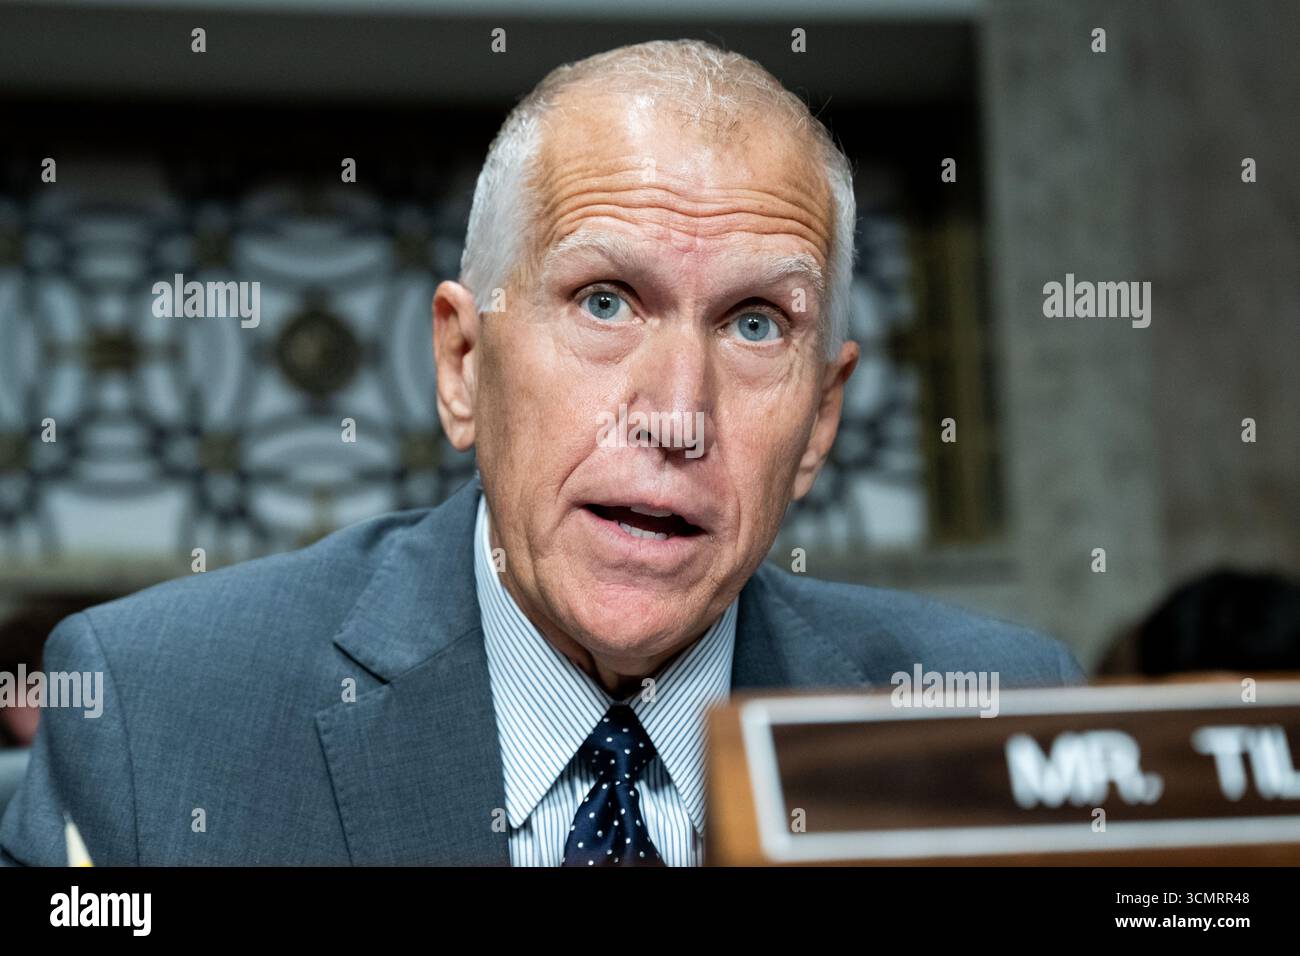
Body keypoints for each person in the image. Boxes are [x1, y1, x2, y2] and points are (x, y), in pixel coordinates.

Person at [0, 39, 1083, 867]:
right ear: (464, 363)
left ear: (823, 420)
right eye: (604, 299)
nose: (675, 415)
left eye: (756, 322)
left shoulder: (996, 721)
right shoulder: (156, 714)